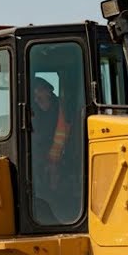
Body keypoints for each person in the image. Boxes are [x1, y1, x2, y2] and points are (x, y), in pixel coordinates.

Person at [29, 76, 78, 224]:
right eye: (35, 97)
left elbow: (59, 135)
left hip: (55, 156)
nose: (37, 100)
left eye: (39, 96)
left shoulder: (59, 111)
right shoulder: (38, 110)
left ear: (48, 91)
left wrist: (52, 160)